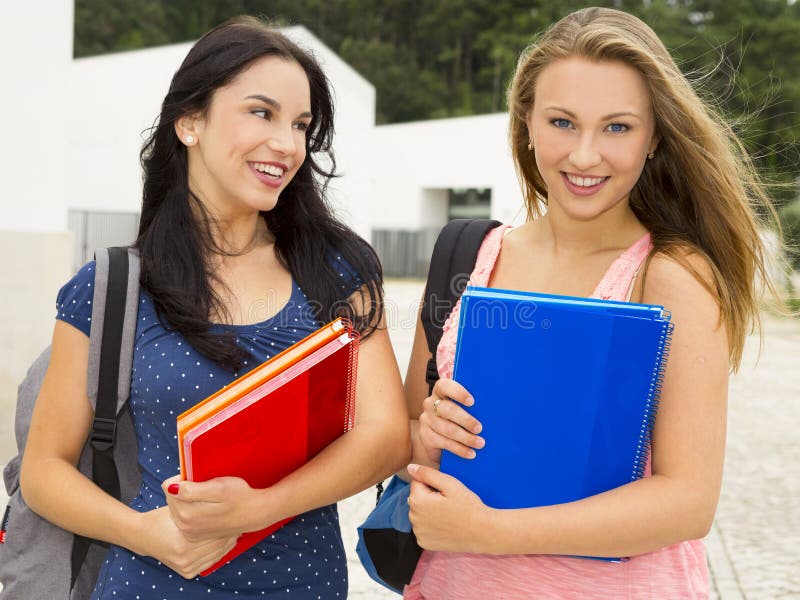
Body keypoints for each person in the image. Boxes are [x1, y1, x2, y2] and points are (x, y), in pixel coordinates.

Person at [20, 16, 410, 599]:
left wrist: (259, 507)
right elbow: (43, 471)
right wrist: (144, 533)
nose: (287, 143)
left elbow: (387, 436)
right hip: (149, 580)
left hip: (301, 584)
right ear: (189, 122)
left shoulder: (336, 269)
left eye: (301, 125)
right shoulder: (111, 286)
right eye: (262, 112)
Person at [401, 7, 784, 599]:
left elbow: (688, 502)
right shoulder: (466, 256)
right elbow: (403, 437)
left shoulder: (672, 275)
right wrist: (428, 436)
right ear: (526, 122)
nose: (584, 156)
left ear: (655, 137)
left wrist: (491, 531)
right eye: (562, 122)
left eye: (617, 127)